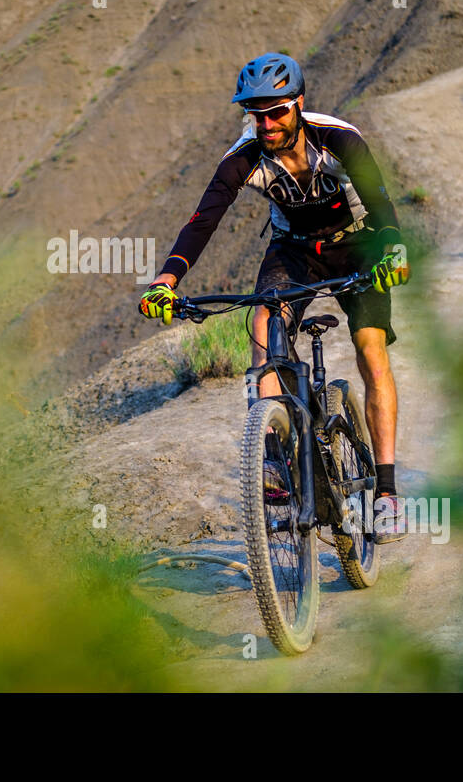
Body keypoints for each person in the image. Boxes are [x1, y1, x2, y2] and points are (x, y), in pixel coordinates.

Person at [138, 53, 410, 542]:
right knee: (265, 319)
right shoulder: (243, 156)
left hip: (359, 241)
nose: (265, 123)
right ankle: (274, 457)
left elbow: (381, 199)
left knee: (371, 351)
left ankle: (387, 494)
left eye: (276, 111)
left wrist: (393, 250)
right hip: (296, 249)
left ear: (298, 104)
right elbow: (203, 222)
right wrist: (166, 281)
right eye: (255, 113)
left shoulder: (339, 138)